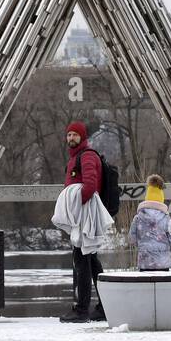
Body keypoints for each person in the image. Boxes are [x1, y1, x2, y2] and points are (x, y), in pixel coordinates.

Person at [60, 121, 106, 322]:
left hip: (84, 218)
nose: (71, 138)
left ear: (82, 137)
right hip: (84, 216)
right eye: (69, 135)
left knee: (82, 261)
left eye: (75, 135)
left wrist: (76, 208)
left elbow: (90, 185)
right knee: (92, 262)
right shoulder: (76, 157)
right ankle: (105, 307)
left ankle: (81, 310)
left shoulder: (86, 156)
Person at [128, 175, 171, 271]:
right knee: (164, 285)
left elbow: (131, 238)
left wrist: (140, 245)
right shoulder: (166, 218)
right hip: (163, 264)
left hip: (144, 263)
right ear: (161, 198)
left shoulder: (138, 218)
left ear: (147, 198)